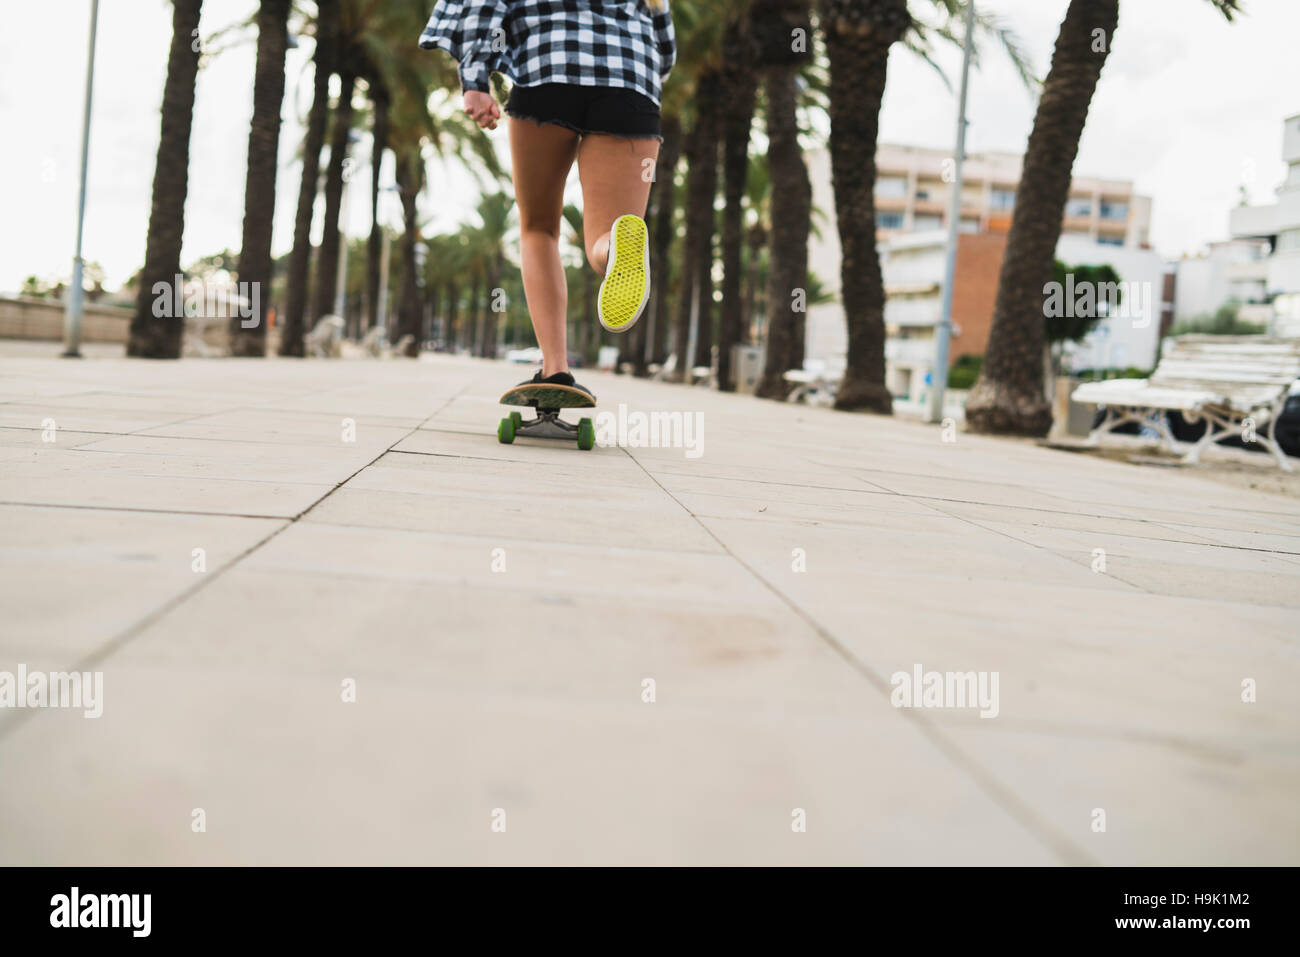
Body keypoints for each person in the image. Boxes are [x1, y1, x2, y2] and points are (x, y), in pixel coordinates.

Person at [420, 0, 676, 402]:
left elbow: (485, 4)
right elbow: (665, 48)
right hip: (630, 79)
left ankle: (555, 367)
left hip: (547, 71)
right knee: (603, 234)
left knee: (538, 227)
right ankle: (614, 247)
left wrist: (474, 79)